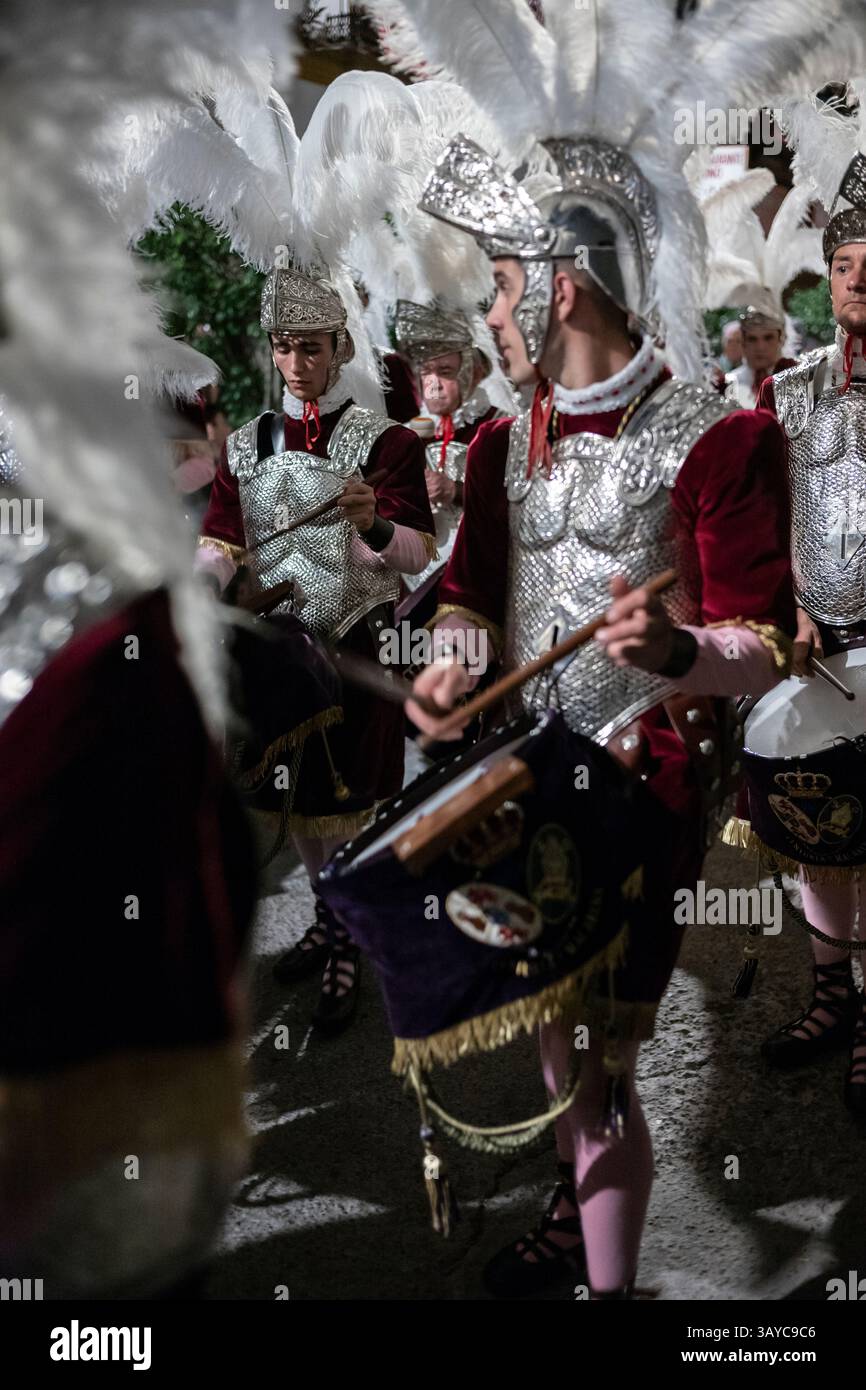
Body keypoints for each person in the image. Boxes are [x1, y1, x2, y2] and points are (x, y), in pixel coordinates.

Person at [198, 264, 435, 1033]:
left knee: (349, 805)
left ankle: (349, 937)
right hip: (277, 653)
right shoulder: (244, 445)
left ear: (339, 347)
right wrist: (197, 583)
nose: (297, 364)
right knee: (295, 804)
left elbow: (417, 553)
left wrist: (372, 527)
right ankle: (335, 925)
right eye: (284, 348)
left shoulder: (386, 441)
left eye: (311, 347)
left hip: (359, 648)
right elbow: (222, 542)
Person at [743, 187, 866, 1114]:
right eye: (844, 263)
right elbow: (763, 520)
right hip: (818, 645)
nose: (859, 279)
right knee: (818, 828)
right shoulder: (785, 390)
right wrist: (784, 605)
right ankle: (833, 994)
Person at [394, 298, 508, 591]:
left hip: (480, 579)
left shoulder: (501, 427)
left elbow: (512, 508)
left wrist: (455, 491)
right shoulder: (408, 434)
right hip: (417, 581)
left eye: (445, 371)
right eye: (426, 371)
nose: (433, 384)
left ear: (474, 371)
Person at [725, 299, 798, 408]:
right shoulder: (730, 382)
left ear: (782, 339)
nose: (760, 347)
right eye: (752, 339)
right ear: (743, 342)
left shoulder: (797, 378)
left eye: (768, 338)